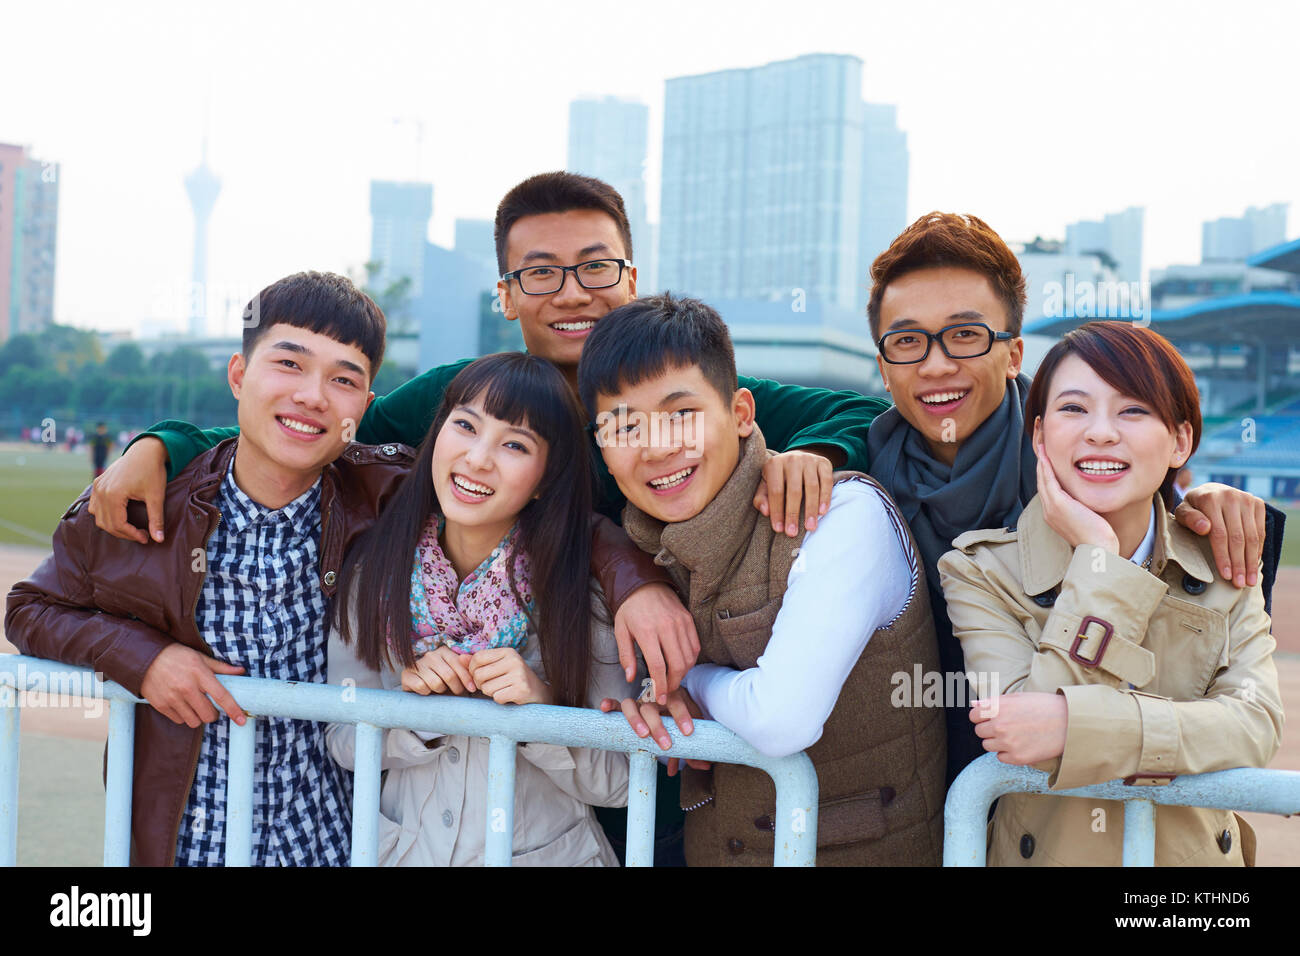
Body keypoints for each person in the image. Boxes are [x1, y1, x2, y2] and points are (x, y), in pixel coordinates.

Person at [864, 212, 1280, 787]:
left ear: (1013, 356)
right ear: (883, 366)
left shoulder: (1098, 479)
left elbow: (1252, 722)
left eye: (965, 334)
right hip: (922, 805)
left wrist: (1186, 496)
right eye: (908, 341)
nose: (937, 364)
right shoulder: (855, 482)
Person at [6, 272, 402, 865]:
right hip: (185, 849)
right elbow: (28, 610)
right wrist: (145, 658)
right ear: (239, 377)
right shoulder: (140, 506)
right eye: (289, 364)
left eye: (343, 379)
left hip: (335, 848)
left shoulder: (391, 504)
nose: (313, 396)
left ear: (364, 408)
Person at [583, 294, 946, 866]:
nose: (656, 447)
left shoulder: (844, 514)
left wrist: (691, 683)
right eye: (625, 426)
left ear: (742, 413)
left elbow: (781, 719)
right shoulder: (648, 552)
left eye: (681, 414)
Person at [937, 321, 1283, 865]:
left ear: (1180, 441)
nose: (1100, 432)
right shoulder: (979, 571)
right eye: (1074, 409)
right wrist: (1098, 559)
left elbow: (1254, 724)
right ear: (1039, 435)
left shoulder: (1224, 565)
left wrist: (1079, 725)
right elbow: (1027, 745)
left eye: (1133, 410)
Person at [326, 352, 640, 865]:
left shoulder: (581, 595)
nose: (476, 458)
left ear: (545, 477)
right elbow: (339, 736)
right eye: (465, 426)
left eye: (515, 444)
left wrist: (540, 711)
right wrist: (416, 715)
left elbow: (622, 780)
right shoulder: (375, 568)